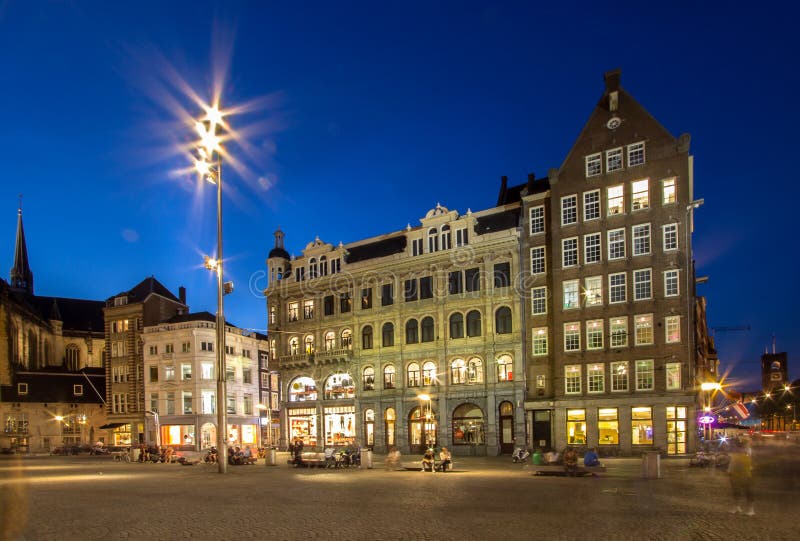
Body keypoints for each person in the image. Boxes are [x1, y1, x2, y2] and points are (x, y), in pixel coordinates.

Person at [728, 438, 754, 515]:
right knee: (736, 490)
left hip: (745, 472)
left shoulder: (748, 451)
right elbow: (732, 461)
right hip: (735, 472)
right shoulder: (735, 451)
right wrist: (730, 470)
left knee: (747, 491)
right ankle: (737, 507)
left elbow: (749, 458)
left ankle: (751, 509)